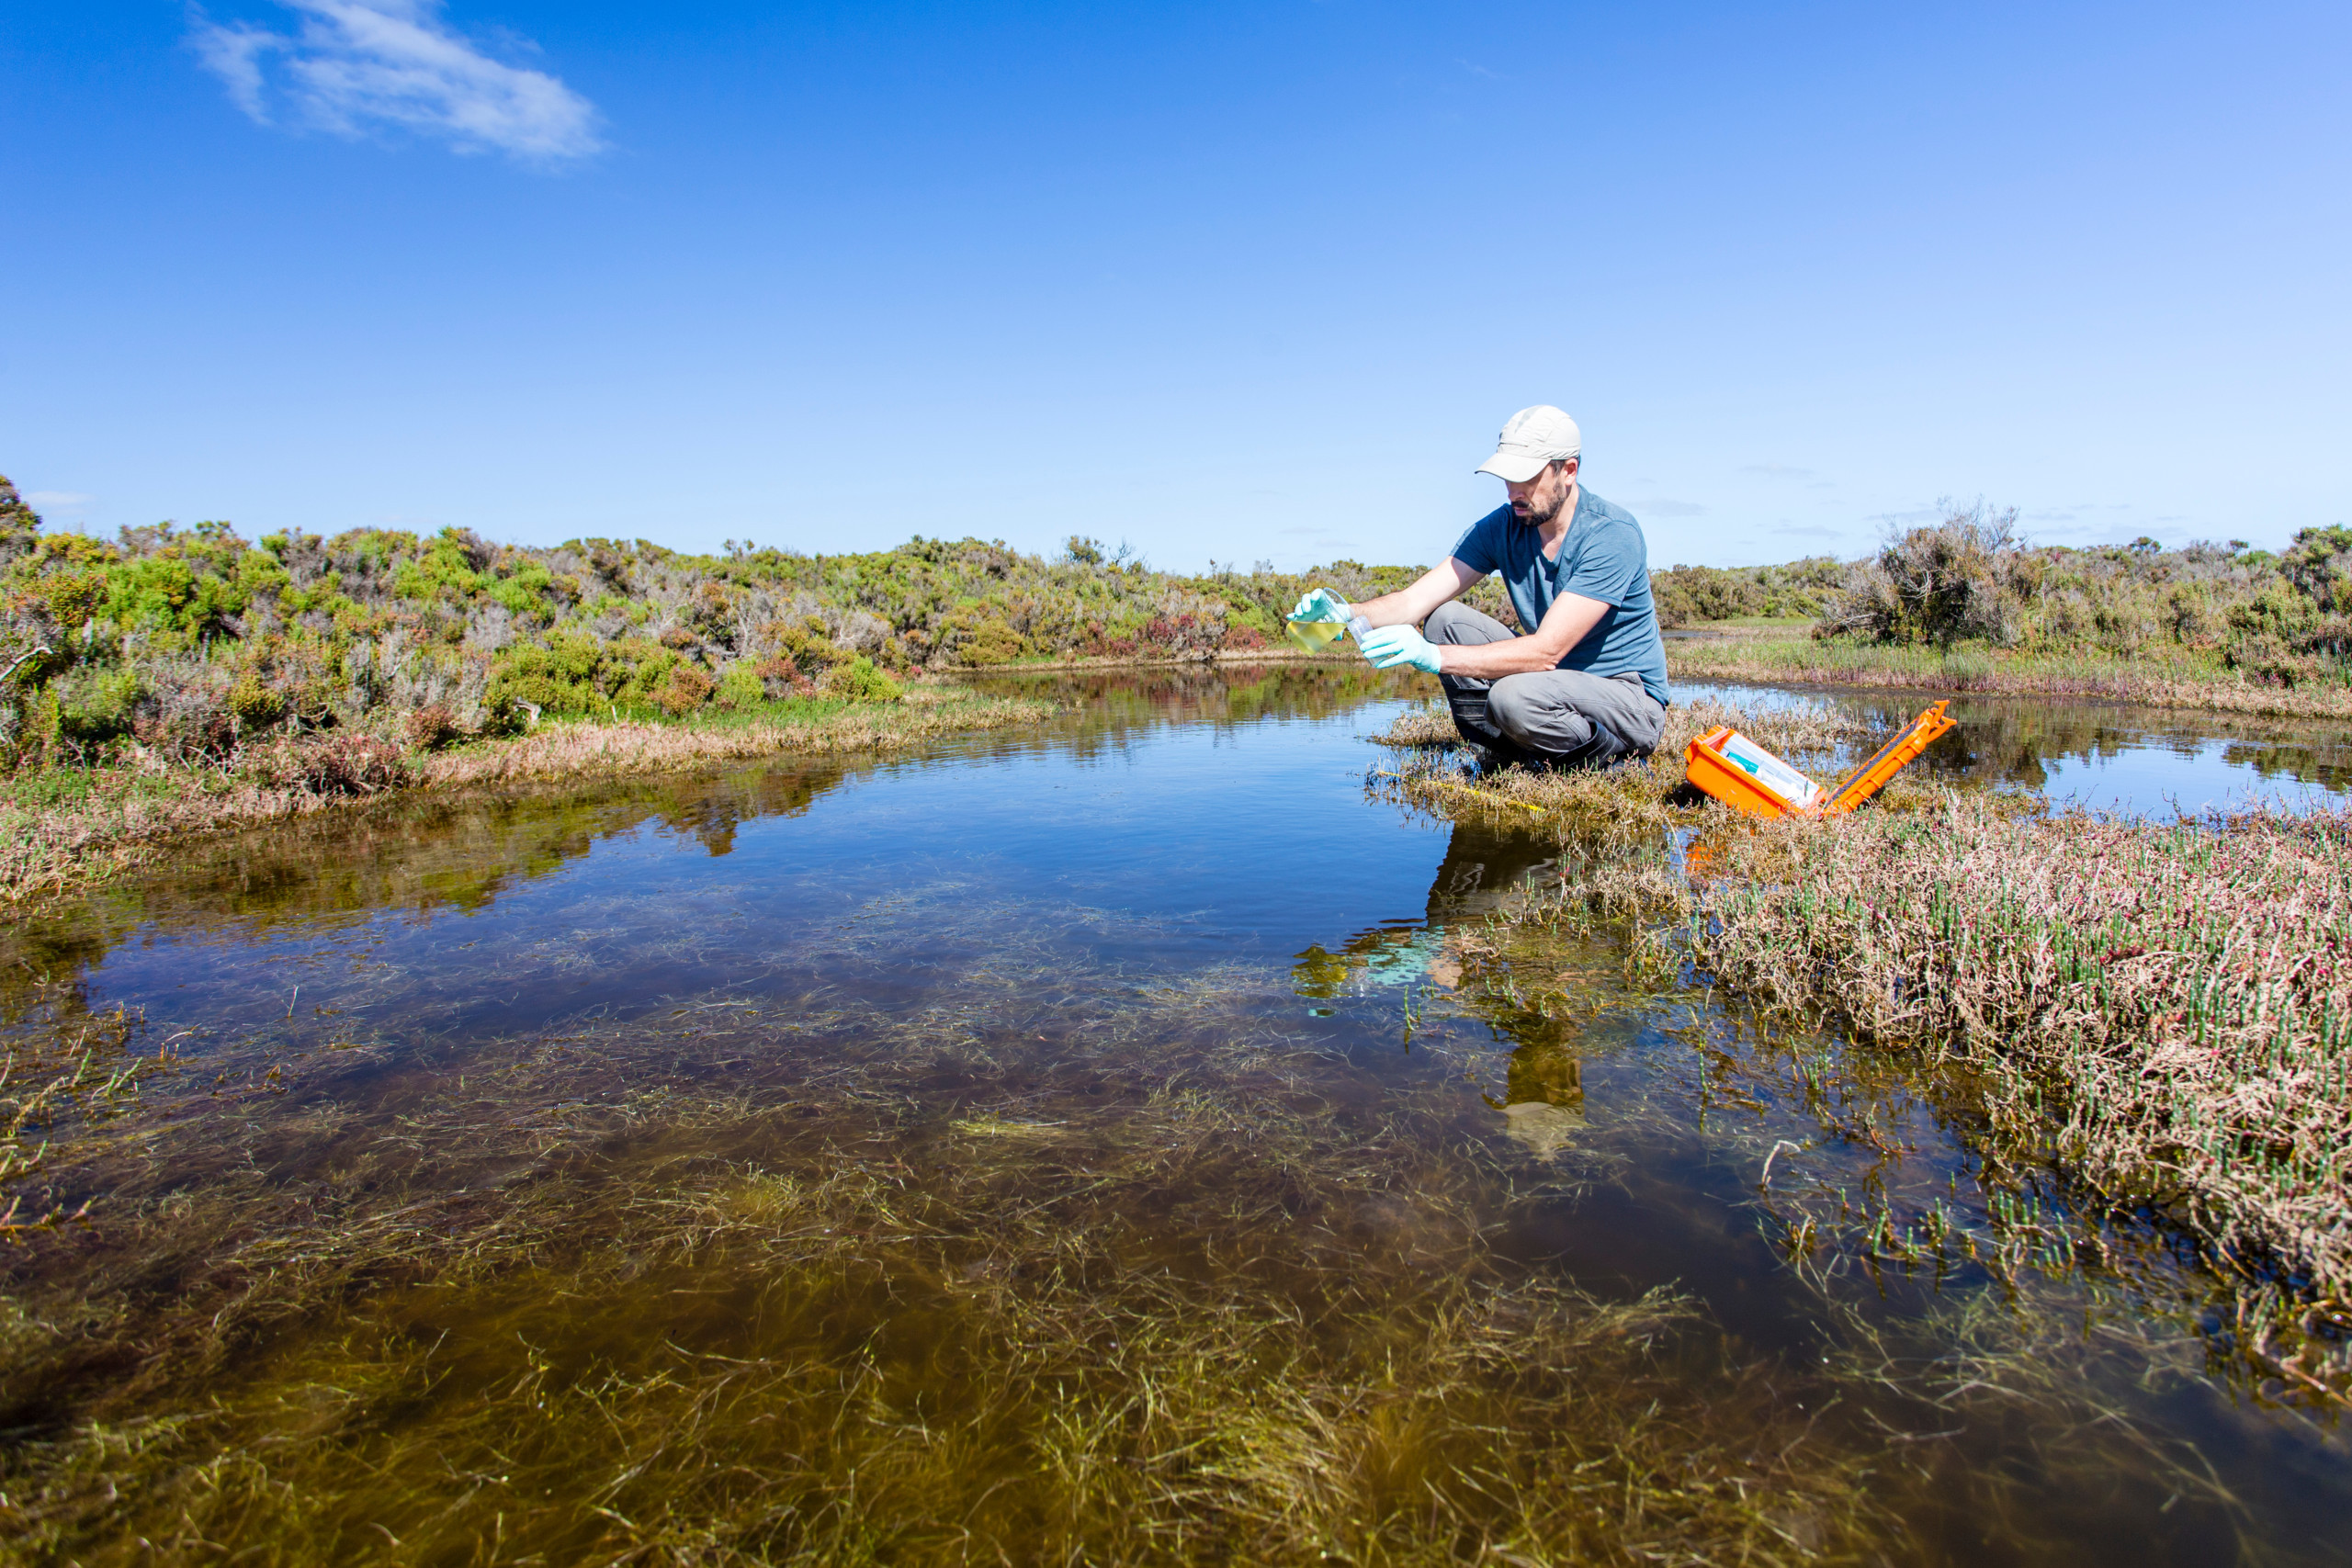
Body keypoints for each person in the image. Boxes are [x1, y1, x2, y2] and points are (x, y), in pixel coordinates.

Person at [1290, 405, 1669, 770]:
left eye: (1527, 477)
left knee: (1513, 697)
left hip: (1626, 697)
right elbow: (1413, 601)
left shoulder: (1611, 534)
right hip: (1549, 685)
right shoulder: (1506, 524)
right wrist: (1346, 613)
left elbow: (1547, 652)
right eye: (1507, 477)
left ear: (1568, 471)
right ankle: (1505, 750)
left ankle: (1608, 761)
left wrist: (1433, 656)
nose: (1513, 492)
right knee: (1445, 619)